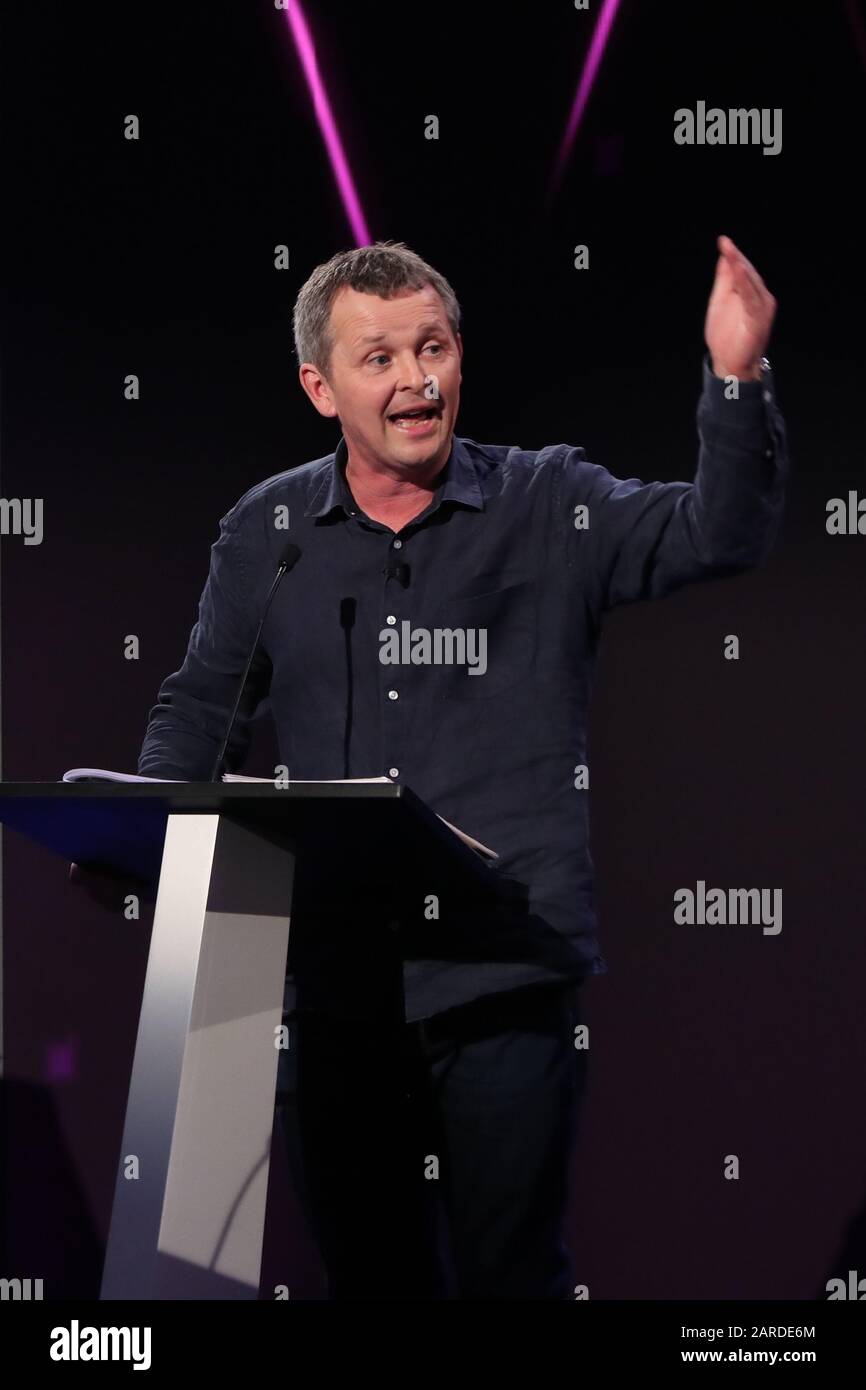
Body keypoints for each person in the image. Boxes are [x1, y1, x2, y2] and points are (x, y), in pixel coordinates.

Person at [135, 237, 788, 1298]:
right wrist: (147, 844)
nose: (414, 380)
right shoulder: (271, 529)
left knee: (510, 1276)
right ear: (320, 385)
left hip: (501, 977)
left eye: (431, 348)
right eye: (380, 357)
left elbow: (716, 533)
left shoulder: (546, 502)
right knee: (371, 1278)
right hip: (334, 984)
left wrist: (734, 375)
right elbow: (204, 704)